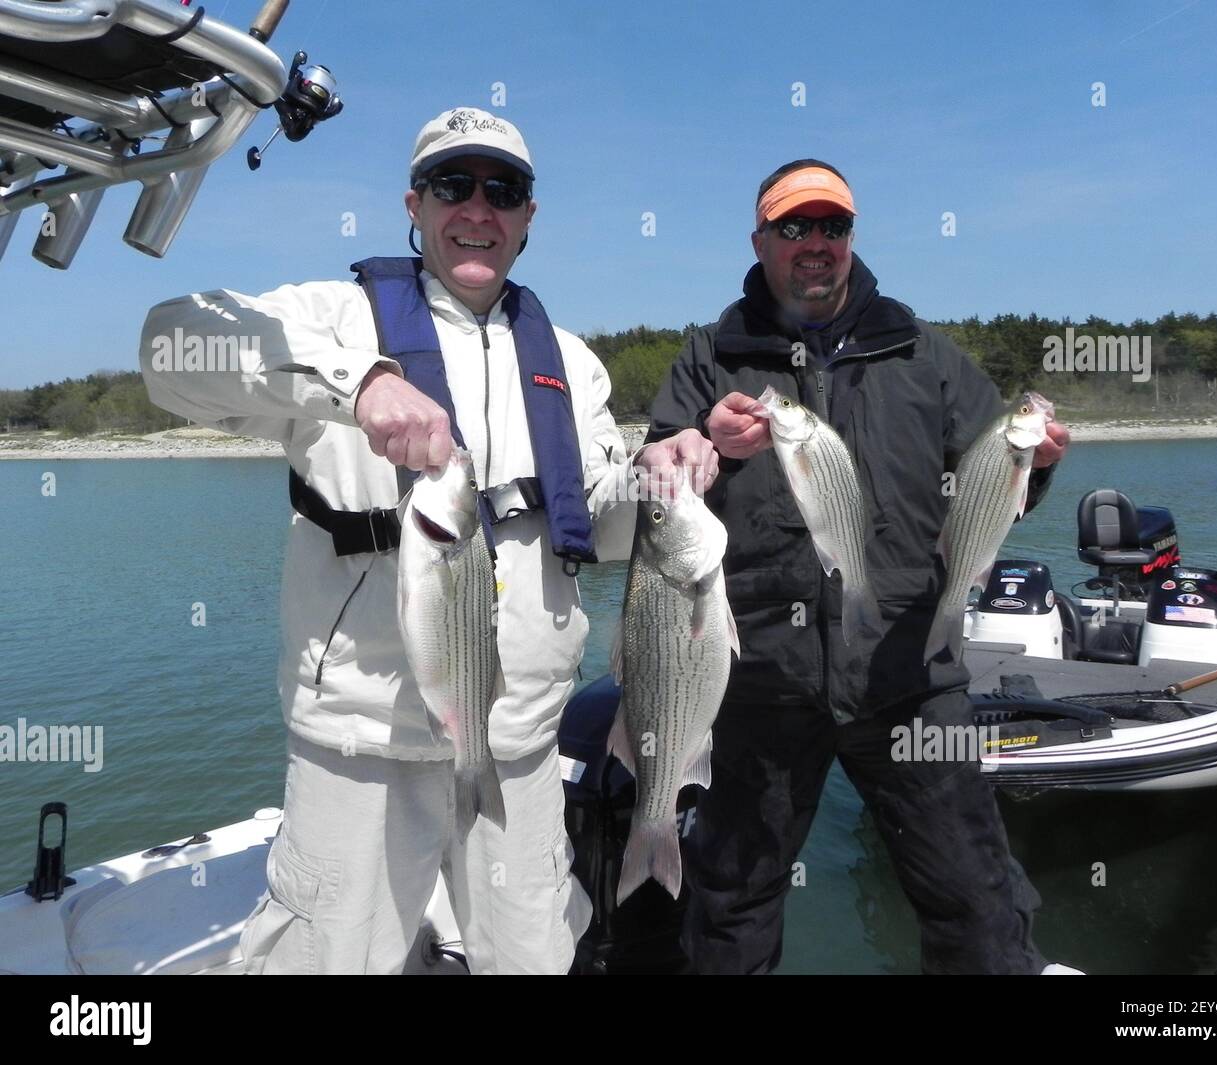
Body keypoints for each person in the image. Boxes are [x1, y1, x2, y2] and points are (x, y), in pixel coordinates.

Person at [138, 107, 714, 974]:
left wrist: (657, 477)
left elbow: (596, 521)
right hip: (361, 746)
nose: (478, 208)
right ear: (414, 203)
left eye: (504, 190)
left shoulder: (570, 359)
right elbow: (167, 350)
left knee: (534, 957)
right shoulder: (334, 315)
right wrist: (358, 383)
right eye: (454, 185)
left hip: (520, 744)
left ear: (529, 217)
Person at [644, 159, 1073, 974]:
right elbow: (659, 481)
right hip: (760, 680)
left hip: (908, 671)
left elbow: (997, 473)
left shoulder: (926, 354)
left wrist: (1037, 461)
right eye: (794, 227)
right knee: (731, 909)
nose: (815, 244)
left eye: (832, 226)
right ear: (760, 239)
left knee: (978, 902)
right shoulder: (711, 354)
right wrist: (703, 443)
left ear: (851, 238)